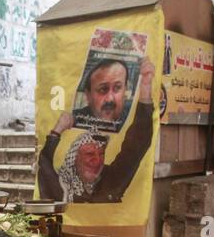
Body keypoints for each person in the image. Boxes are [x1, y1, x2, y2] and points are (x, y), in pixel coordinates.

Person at [37, 56, 156, 204]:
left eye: (101, 154)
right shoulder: (60, 186)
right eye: (89, 154)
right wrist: (56, 132)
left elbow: (137, 145)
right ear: (74, 158)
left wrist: (145, 89)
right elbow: (44, 165)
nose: (97, 161)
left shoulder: (111, 179)